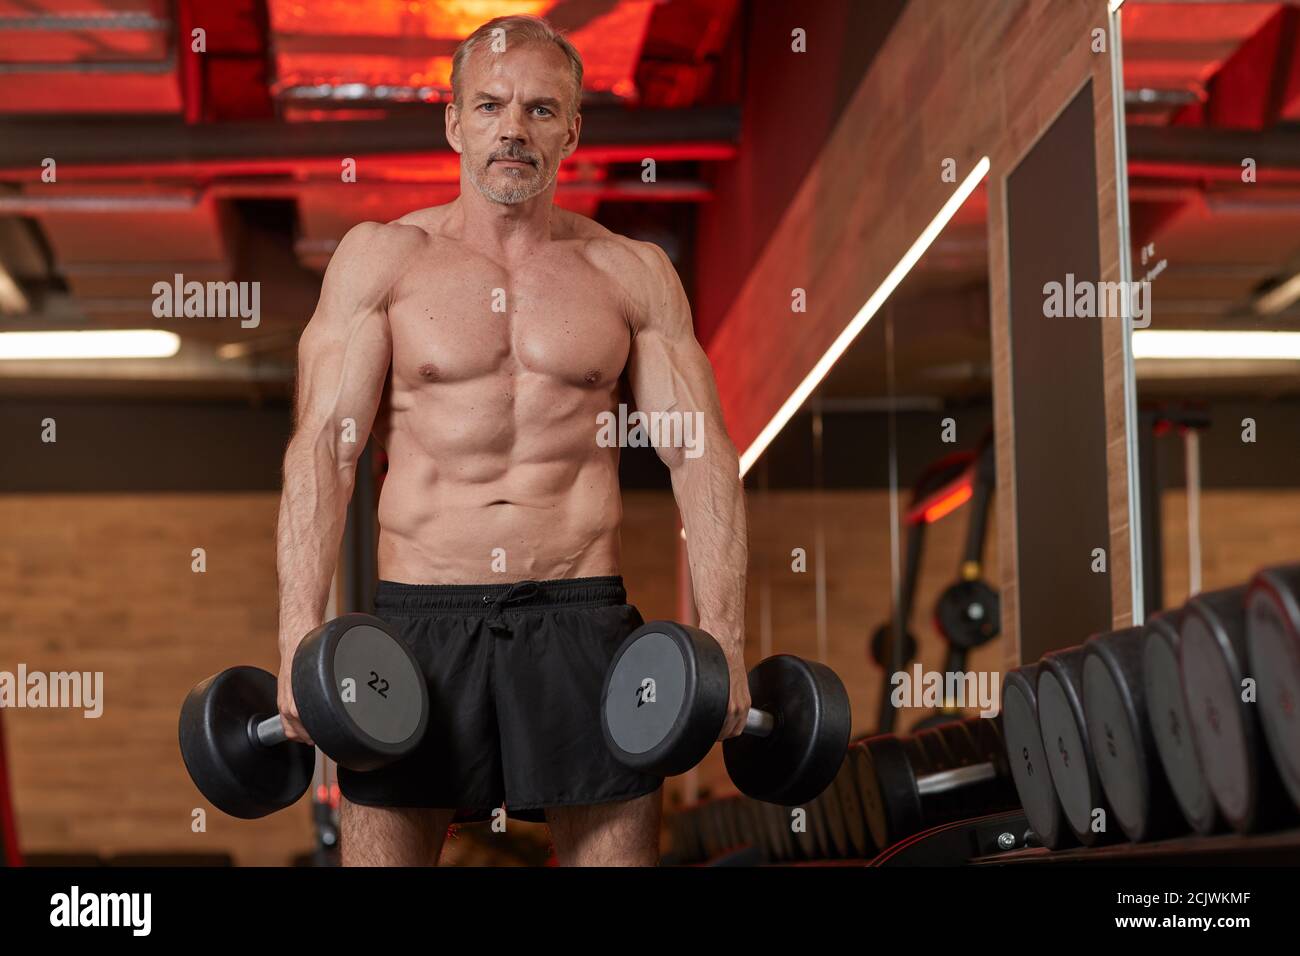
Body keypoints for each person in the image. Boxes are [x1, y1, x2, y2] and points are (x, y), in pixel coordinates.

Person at [274, 14, 748, 866]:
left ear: (572, 127)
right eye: (489, 105)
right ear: (454, 123)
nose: (512, 130)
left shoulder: (630, 273)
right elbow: (324, 450)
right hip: (419, 622)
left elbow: (698, 452)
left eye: (538, 108)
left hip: (579, 615)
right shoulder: (383, 261)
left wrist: (725, 639)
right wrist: (296, 639)